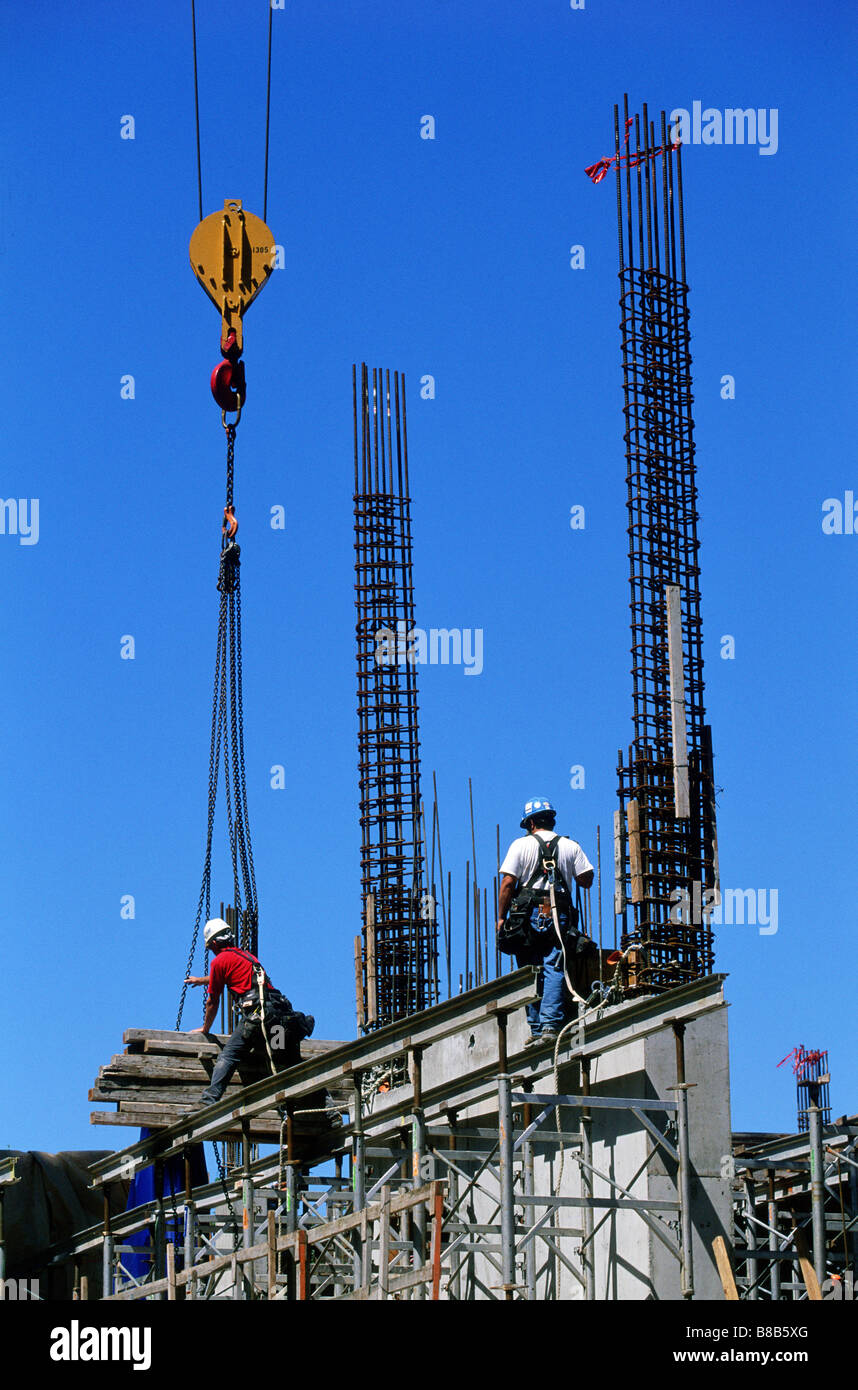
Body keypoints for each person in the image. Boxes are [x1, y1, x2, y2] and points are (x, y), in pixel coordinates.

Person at [496, 798, 594, 1046]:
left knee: (529, 968)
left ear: (529, 822)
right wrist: (570, 861)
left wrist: (500, 917)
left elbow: (507, 884)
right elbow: (586, 880)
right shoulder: (570, 846)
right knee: (554, 964)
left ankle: (538, 1028)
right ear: (552, 820)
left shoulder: (520, 845)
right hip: (557, 911)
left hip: (525, 913)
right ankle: (551, 1025)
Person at [185, 918, 314, 1105]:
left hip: (257, 1017)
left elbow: (212, 1002)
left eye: (209, 948)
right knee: (286, 1059)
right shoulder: (247, 957)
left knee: (229, 1055)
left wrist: (205, 1028)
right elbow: (231, 974)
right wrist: (201, 980)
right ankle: (328, 1110)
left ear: (213, 943)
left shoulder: (219, 962)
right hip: (278, 1019)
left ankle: (208, 1101)